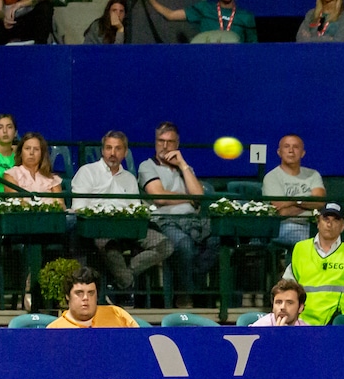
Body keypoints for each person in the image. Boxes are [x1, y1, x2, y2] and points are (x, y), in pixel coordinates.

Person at [71, 130, 174, 294]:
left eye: (118, 149)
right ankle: (125, 286)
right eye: (108, 148)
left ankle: (123, 279)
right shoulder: (87, 172)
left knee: (165, 245)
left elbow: (135, 210)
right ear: (102, 150)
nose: (112, 153)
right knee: (109, 246)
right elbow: (79, 208)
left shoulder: (129, 178)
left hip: (128, 230)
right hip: (100, 230)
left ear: (125, 152)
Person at [138, 121, 217, 308]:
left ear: (177, 144)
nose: (165, 146)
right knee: (184, 245)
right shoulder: (147, 166)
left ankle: (194, 285)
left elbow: (199, 197)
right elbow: (159, 197)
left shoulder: (184, 168)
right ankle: (185, 295)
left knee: (216, 240)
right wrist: (189, 198)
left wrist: (182, 165)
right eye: (160, 141)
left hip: (193, 220)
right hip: (164, 221)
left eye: (170, 142)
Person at [282, 201, 344, 326]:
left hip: (335, 324)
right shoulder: (300, 249)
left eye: (335, 220)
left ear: (343, 226)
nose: (329, 224)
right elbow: (286, 288)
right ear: (318, 222)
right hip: (302, 322)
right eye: (326, 219)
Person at [262, 133, 325, 245]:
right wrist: (309, 202)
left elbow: (320, 202)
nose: (291, 151)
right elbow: (282, 211)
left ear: (302, 153)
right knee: (314, 242)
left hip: (315, 225)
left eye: (296, 147)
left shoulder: (313, 174)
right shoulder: (272, 177)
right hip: (284, 226)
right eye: (286, 147)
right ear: (279, 152)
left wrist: (294, 201)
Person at [47, 266, 140, 328]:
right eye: (79, 293)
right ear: (68, 296)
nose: (85, 298)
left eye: (91, 293)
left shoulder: (117, 314)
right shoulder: (54, 330)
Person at [3, 131, 63, 204]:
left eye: (36, 149)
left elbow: (60, 205)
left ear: (42, 153)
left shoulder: (53, 179)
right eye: (27, 148)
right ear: (21, 152)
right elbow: (17, 203)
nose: (31, 153)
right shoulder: (11, 175)